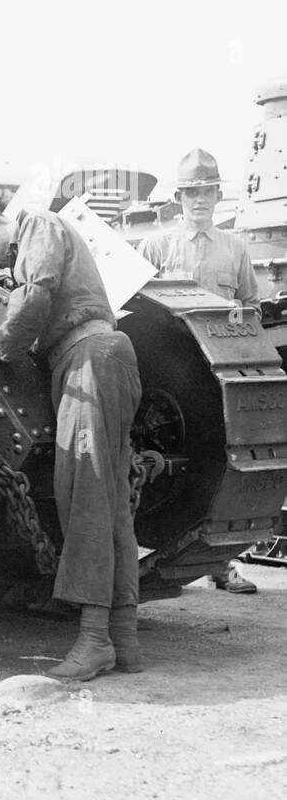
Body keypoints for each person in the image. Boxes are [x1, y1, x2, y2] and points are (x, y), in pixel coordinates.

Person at [0, 185, 144, 680]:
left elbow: (33, 297)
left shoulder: (36, 225)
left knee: (86, 495)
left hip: (89, 361)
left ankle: (94, 642)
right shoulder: (37, 235)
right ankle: (125, 640)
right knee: (109, 499)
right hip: (95, 360)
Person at [138, 148, 258, 594]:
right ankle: (171, 551)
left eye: (207, 191)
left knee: (223, 466)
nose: (199, 200)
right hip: (170, 377)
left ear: (217, 194)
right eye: (191, 193)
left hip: (220, 375)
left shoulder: (234, 248)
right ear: (179, 198)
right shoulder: (157, 246)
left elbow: (249, 305)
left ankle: (221, 564)